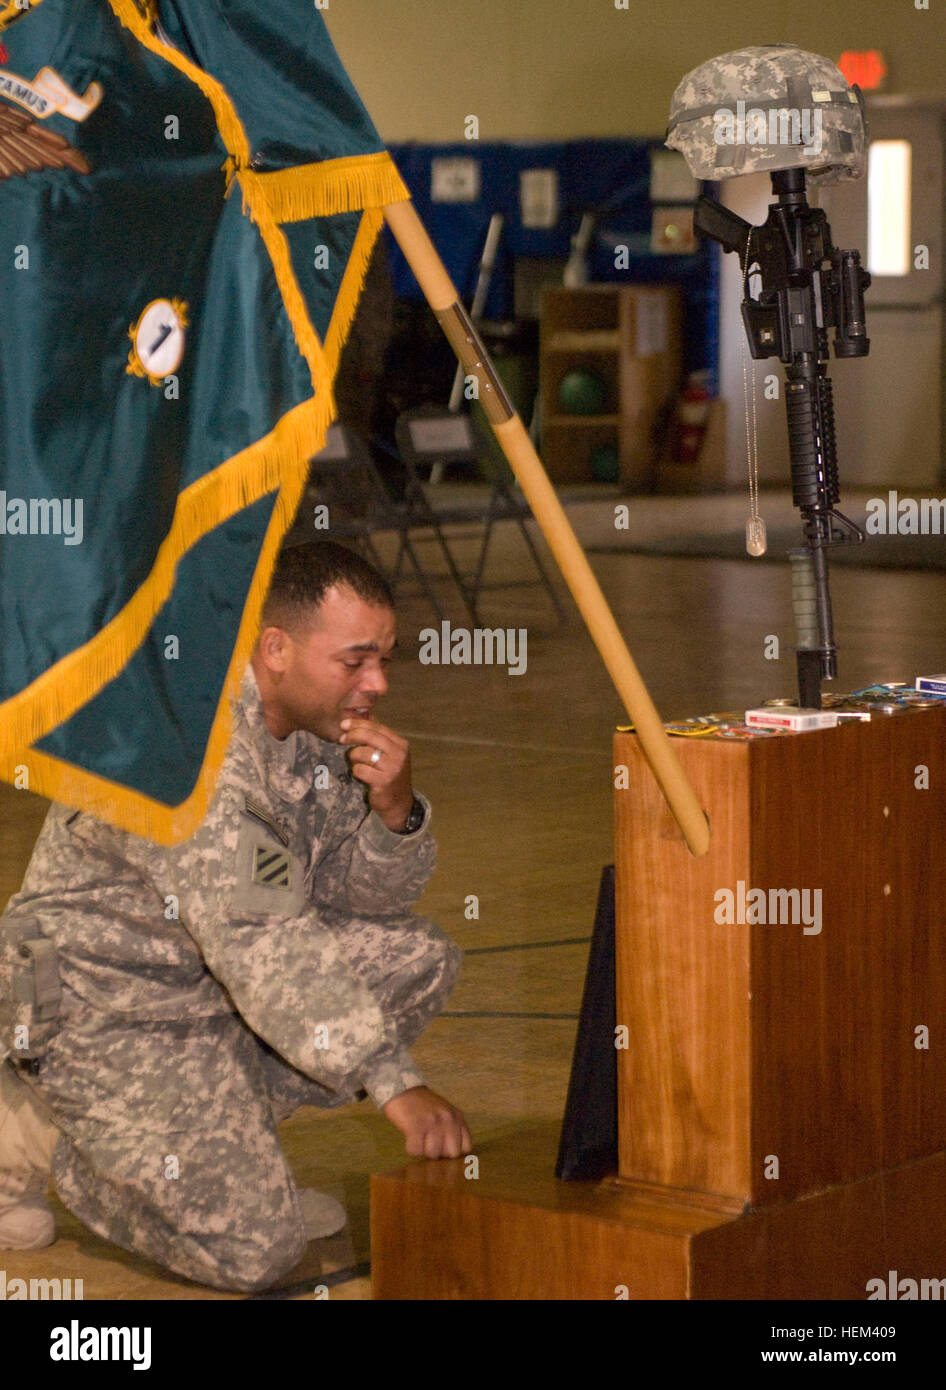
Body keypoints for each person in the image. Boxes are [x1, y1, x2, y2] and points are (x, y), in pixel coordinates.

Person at [0, 540, 470, 1291]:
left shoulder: (313, 735)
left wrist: (395, 815)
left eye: (384, 658)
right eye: (355, 661)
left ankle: (227, 1147)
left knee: (417, 958)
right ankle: (51, 1135)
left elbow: (356, 903)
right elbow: (265, 939)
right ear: (276, 648)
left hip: (202, 985)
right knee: (258, 1253)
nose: (377, 683)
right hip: (104, 1007)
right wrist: (392, 1081)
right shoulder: (196, 747)